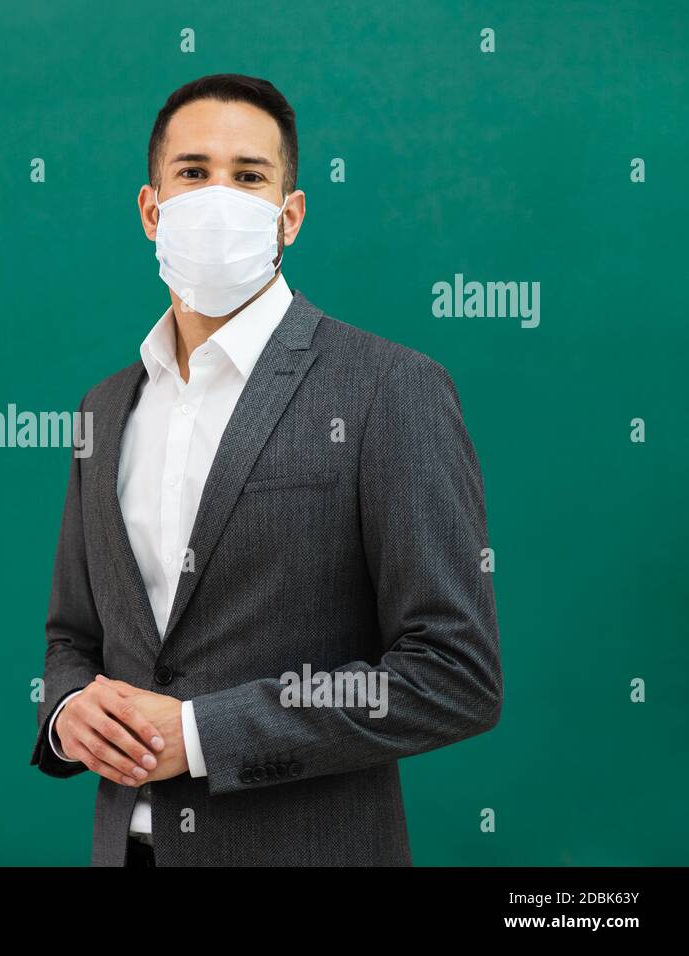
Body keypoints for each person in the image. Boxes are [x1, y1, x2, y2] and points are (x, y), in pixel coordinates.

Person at [30, 73, 502, 866]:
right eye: (193, 172)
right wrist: (69, 708)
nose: (219, 195)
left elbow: (454, 674)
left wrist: (202, 735)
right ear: (151, 209)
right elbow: (73, 635)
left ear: (290, 215)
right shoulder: (104, 409)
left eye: (248, 176)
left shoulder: (389, 388)